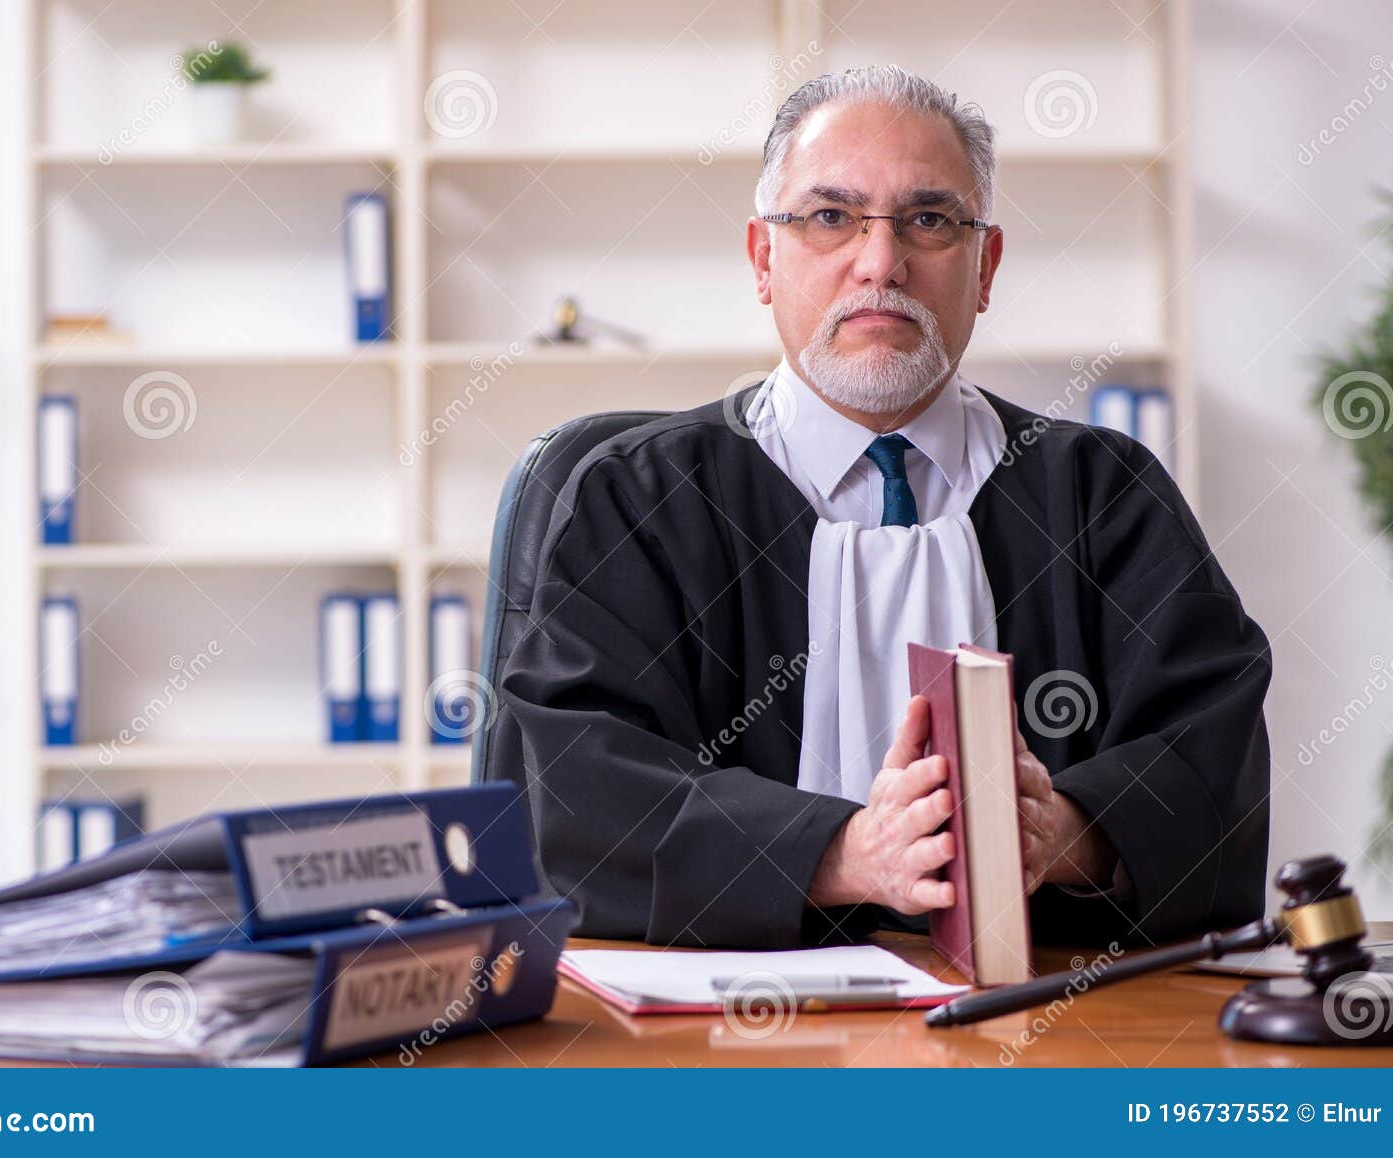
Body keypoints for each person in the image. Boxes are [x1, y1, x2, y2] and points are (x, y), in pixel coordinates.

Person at [500, 65, 1271, 950]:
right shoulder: (636, 499)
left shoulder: (1105, 495)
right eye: (831, 217)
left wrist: (1065, 834)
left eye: (930, 220)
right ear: (763, 258)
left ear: (984, 266)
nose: (881, 262)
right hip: (724, 1044)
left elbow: (1216, 762)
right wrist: (844, 854)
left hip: (1053, 1027)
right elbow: (581, 794)